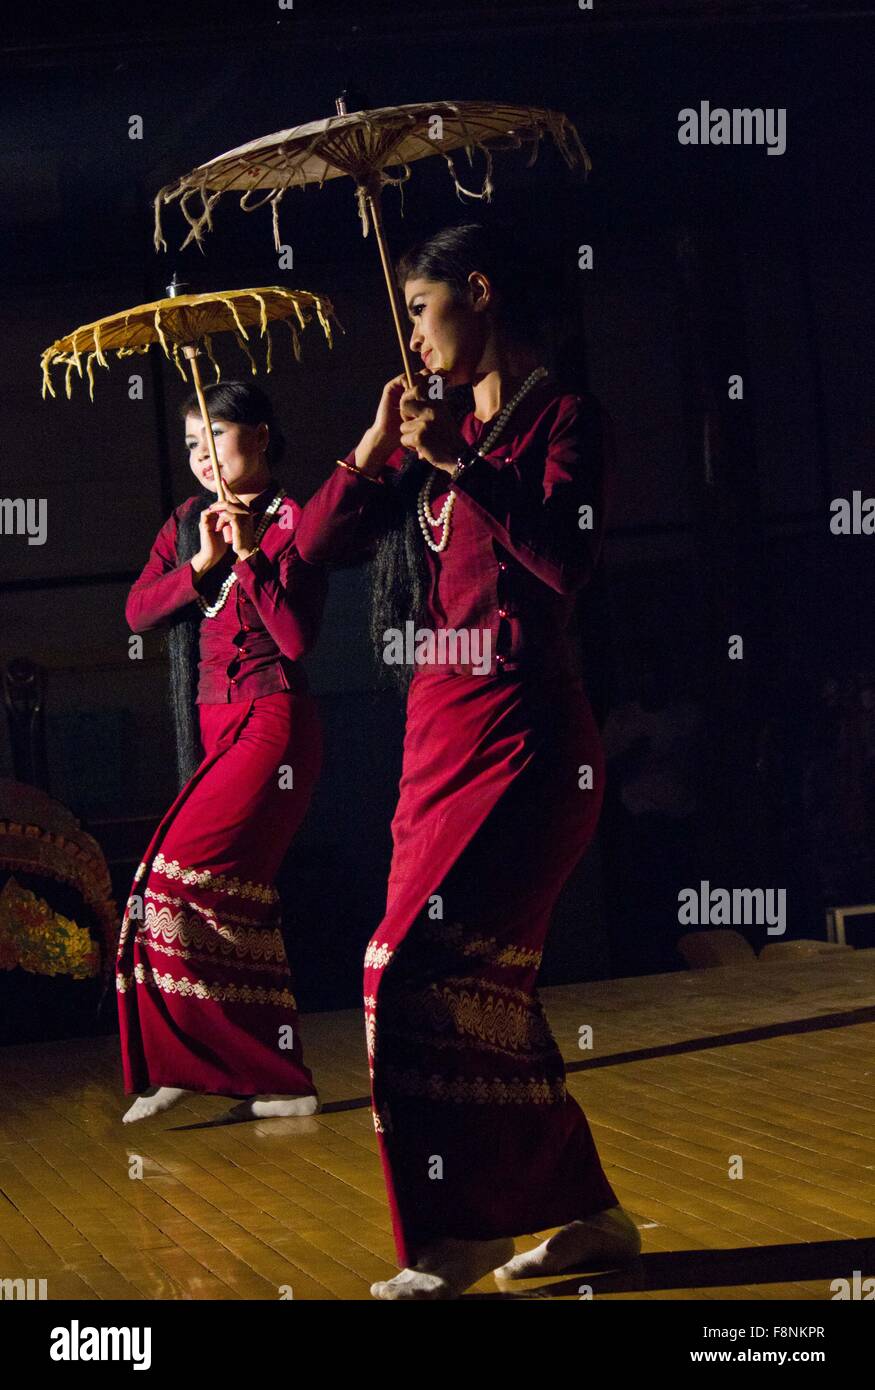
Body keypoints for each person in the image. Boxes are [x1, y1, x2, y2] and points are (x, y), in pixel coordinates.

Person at [295, 223, 640, 1298]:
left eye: (418, 304)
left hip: (525, 743)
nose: (408, 329)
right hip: (432, 743)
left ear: (477, 293)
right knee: (480, 993)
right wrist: (374, 443)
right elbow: (312, 547)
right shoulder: (425, 433)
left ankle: (457, 1233)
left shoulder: (561, 420)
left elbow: (564, 557)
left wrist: (466, 462)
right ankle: (591, 1212)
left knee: (403, 974)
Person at [116, 381, 327, 1123]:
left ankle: (210, 1064)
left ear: (261, 436)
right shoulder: (182, 524)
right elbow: (139, 611)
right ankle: (255, 1077)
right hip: (212, 728)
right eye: (192, 447)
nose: (203, 458)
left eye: (217, 439)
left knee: (169, 887)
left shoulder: (295, 520)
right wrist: (202, 562)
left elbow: (298, 641)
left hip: (273, 726)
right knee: (226, 908)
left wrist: (249, 557)